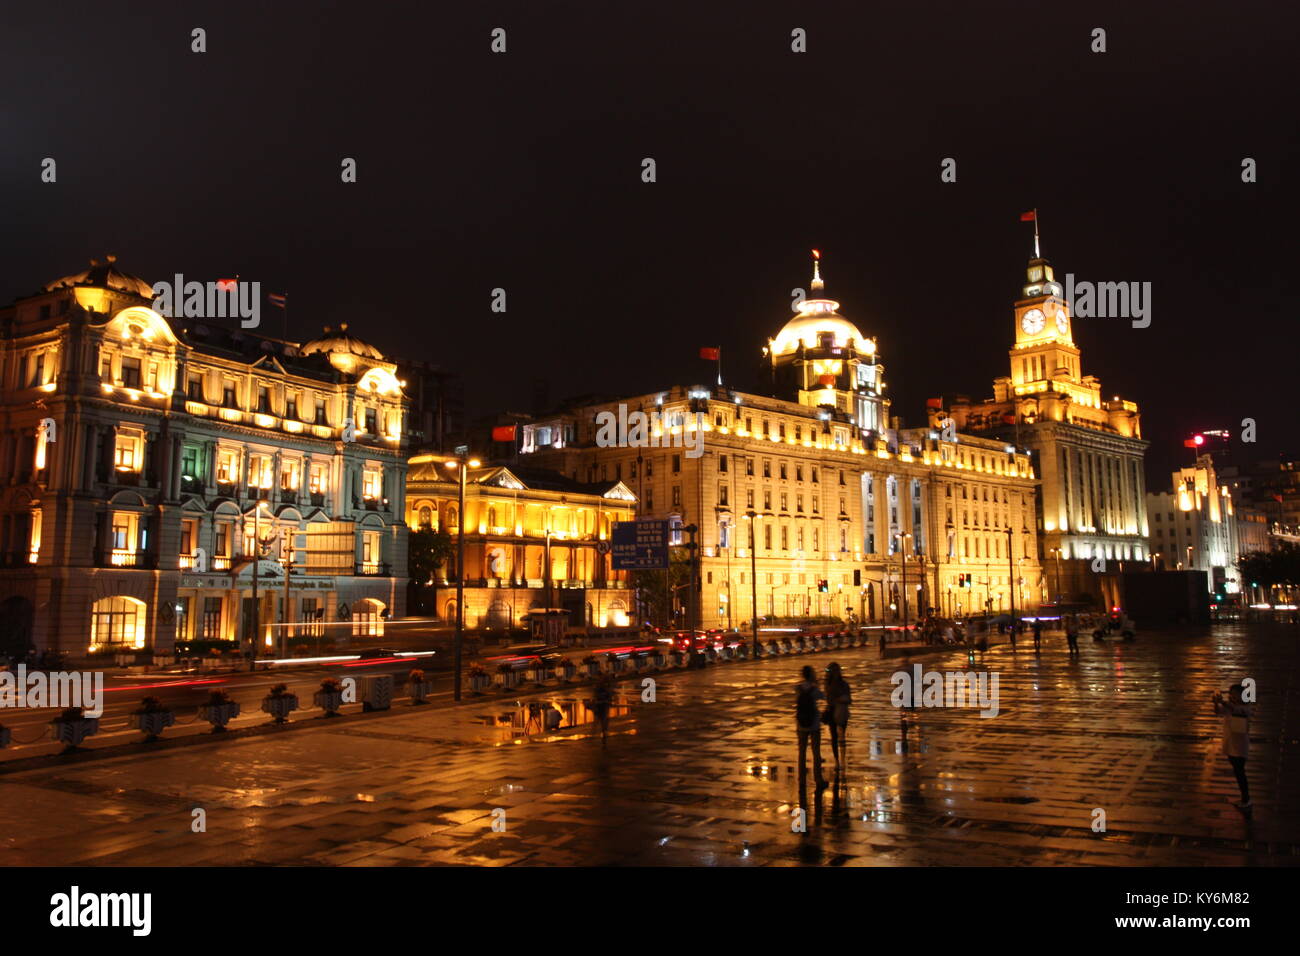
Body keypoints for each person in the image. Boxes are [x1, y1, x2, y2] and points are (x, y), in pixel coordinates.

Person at [1214, 685, 1253, 812]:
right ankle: (1244, 798)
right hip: (1230, 744)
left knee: (1240, 772)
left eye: (1235, 694)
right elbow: (1218, 712)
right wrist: (1216, 703)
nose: (1232, 696)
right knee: (1237, 771)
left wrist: (1223, 702)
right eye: (1231, 694)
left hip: (1240, 746)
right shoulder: (1229, 707)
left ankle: (1246, 799)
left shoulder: (1245, 709)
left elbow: (1236, 710)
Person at [795, 665, 829, 791]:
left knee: (802, 752)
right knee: (816, 752)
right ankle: (818, 779)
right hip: (814, 723)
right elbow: (823, 697)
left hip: (801, 723)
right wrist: (817, 683)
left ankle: (801, 779)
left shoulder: (797, 688)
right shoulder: (814, 690)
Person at [824, 662, 852, 767]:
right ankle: (839, 759)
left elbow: (829, 698)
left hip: (837, 710)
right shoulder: (841, 684)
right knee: (836, 737)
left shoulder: (830, 684)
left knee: (837, 737)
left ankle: (840, 760)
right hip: (837, 710)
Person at [592, 675, 614, 745]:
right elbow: (595, 697)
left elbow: (609, 696)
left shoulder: (603, 688)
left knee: (602, 720)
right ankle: (599, 732)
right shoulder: (599, 689)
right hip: (600, 706)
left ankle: (602, 732)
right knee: (600, 720)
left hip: (603, 706)